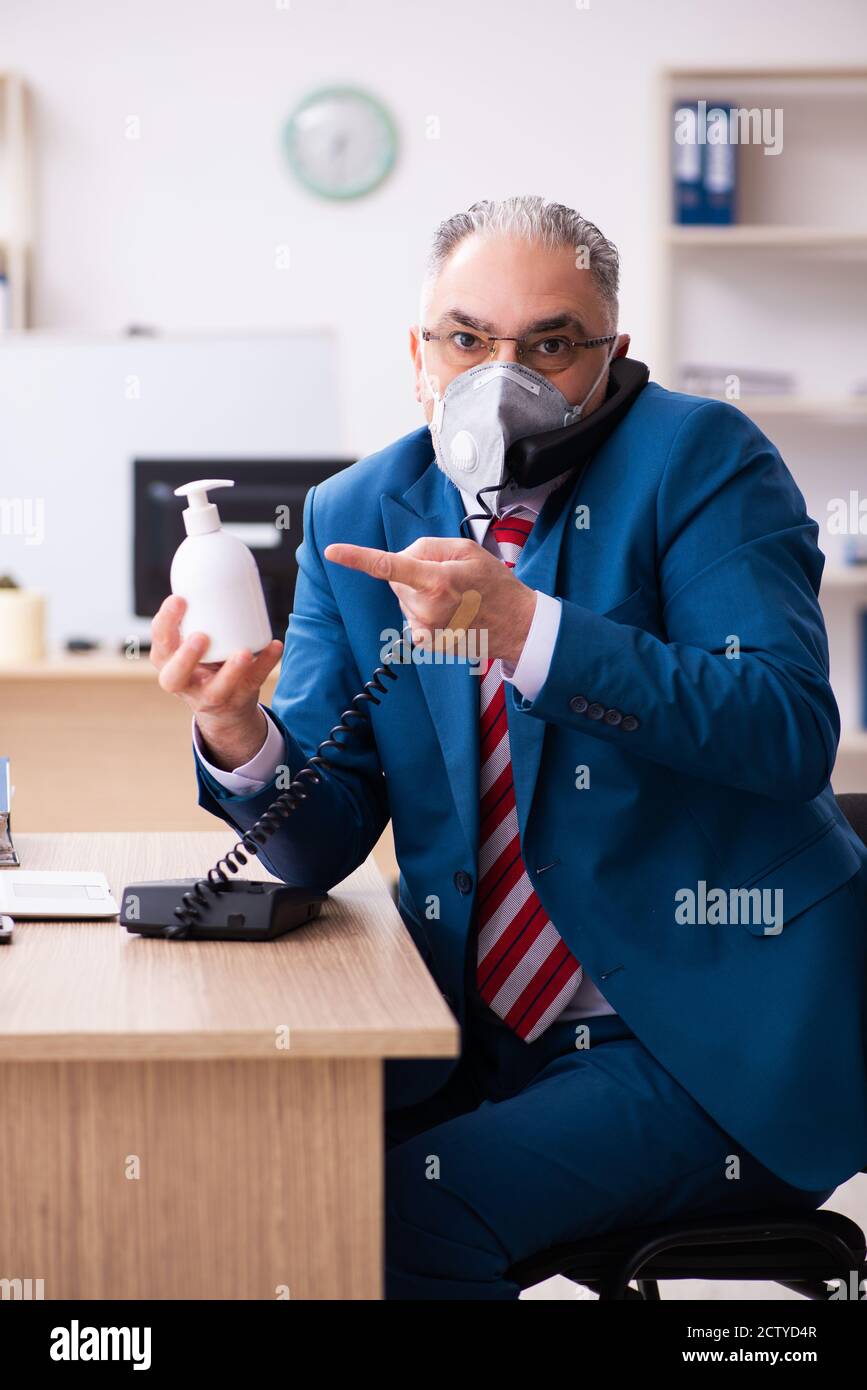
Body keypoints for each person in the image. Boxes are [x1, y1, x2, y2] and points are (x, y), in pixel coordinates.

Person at [151, 196, 867, 1300]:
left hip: (703, 1040)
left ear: (612, 356)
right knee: (245, 1168)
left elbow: (785, 729)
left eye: (550, 343)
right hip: (473, 1031)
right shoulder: (360, 513)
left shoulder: (702, 459)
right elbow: (320, 836)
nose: (503, 372)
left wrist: (530, 630)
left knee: (393, 1218)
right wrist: (238, 730)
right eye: (468, 338)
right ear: (418, 353)